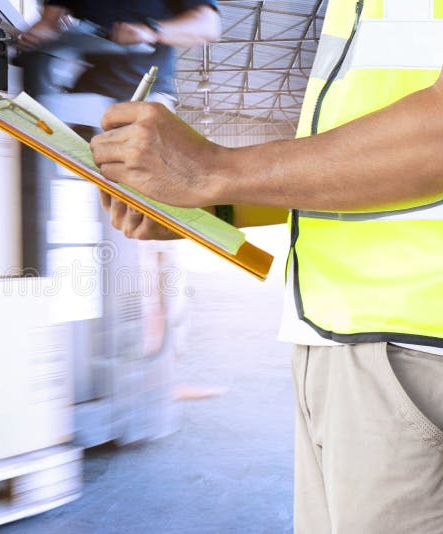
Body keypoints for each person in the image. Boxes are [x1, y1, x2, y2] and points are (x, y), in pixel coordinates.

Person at [88, 0, 443, 532]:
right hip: (335, 343)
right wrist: (204, 206)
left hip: (418, 345)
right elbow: (342, 172)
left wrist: (214, 169)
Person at [15, 0, 222, 101]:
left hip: (144, 94)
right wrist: (39, 33)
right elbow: (48, 22)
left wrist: (152, 31)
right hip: (85, 94)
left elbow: (209, 26)